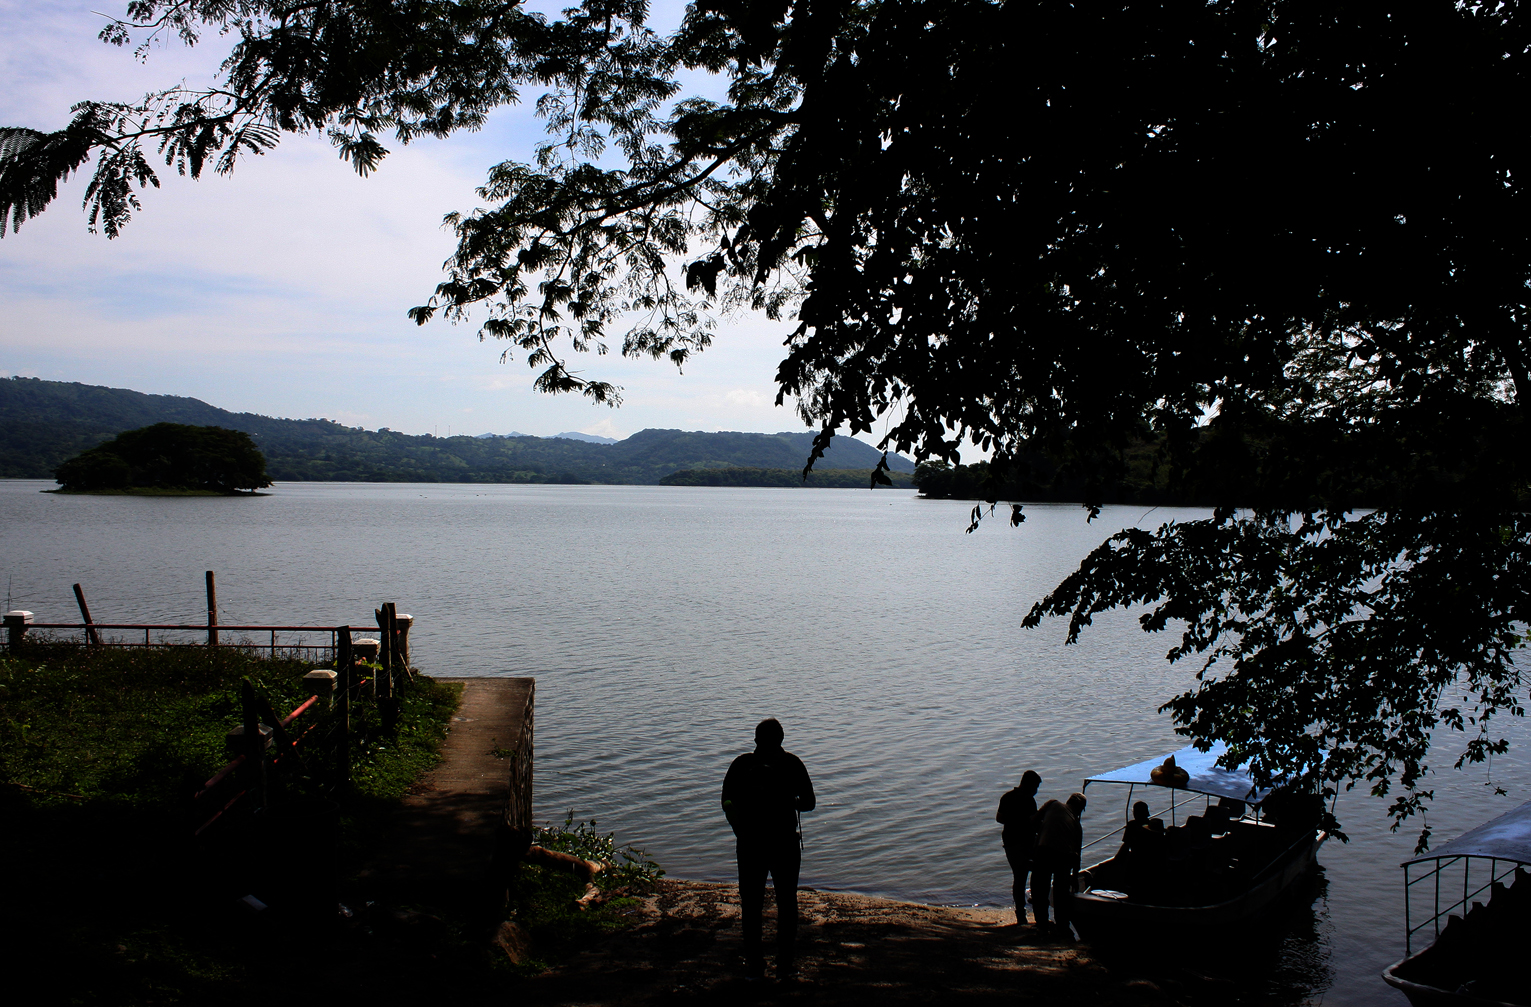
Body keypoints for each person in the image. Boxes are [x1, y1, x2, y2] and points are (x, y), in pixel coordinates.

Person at [721, 718, 816, 979]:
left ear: (756, 739)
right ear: (781, 739)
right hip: (784, 843)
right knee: (787, 903)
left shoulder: (742, 764)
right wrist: (789, 799)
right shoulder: (792, 764)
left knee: (751, 905)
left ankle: (755, 966)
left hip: (750, 843)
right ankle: (784, 965)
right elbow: (809, 803)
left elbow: (726, 799)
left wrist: (738, 826)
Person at [1030, 792, 1087, 938]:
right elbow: (1077, 855)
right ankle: (1063, 928)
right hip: (1064, 857)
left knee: (1039, 890)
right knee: (1061, 895)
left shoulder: (1052, 803)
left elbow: (1033, 822)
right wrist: (1074, 877)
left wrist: (1043, 834)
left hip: (1044, 851)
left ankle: (1042, 926)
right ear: (1081, 809)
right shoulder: (1076, 825)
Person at [996, 770, 1042, 924]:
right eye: (1036, 787)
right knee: (1035, 875)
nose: (1036, 791)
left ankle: (1020, 913)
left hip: (1010, 842)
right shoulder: (1029, 801)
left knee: (1019, 877)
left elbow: (999, 818)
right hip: (1026, 843)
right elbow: (1033, 823)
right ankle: (1037, 910)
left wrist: (1012, 821)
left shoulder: (1006, 797)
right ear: (1030, 785)